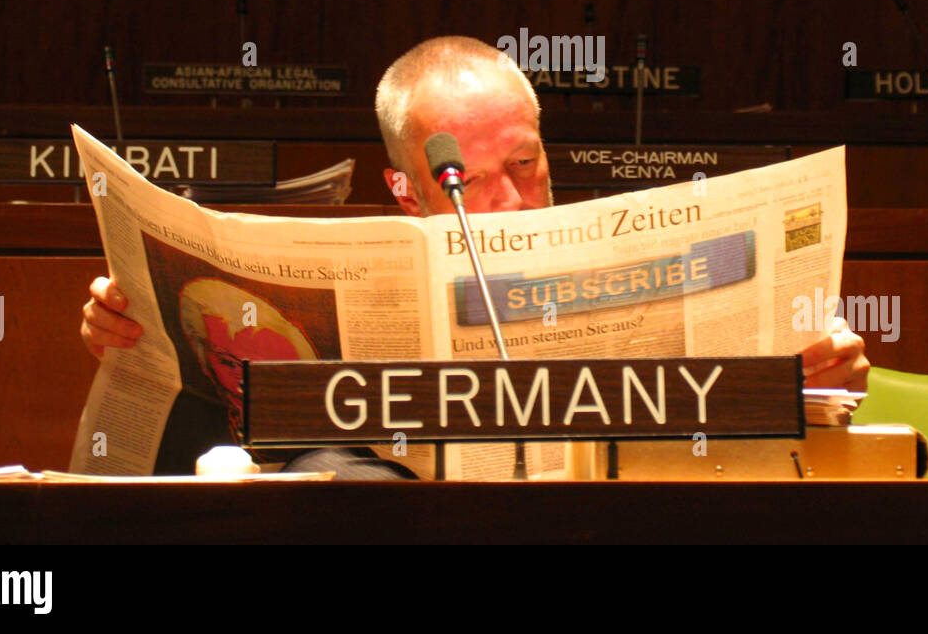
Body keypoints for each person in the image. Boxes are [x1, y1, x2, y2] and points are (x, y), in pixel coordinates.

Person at [81, 36, 869, 473]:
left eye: (525, 164)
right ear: (404, 188)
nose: (507, 200)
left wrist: (816, 377)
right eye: (464, 177)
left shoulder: (635, 246)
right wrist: (130, 327)